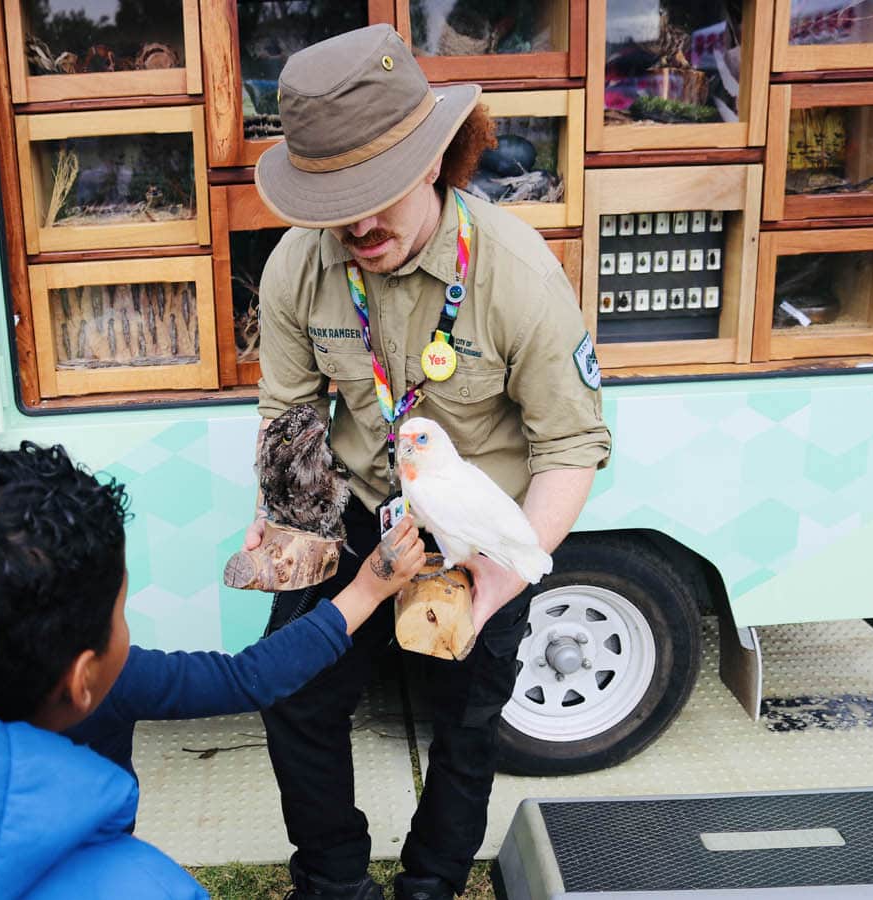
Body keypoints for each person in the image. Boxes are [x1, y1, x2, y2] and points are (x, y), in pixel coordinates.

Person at [0, 442, 425, 899]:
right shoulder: (144, 887)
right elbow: (248, 678)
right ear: (84, 679)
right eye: (120, 609)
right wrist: (367, 591)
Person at [246, 24, 612, 900]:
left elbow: (570, 445)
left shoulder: (518, 273)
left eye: (375, 194)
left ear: (437, 161)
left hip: (479, 526)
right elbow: (292, 413)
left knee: (468, 720)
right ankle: (333, 882)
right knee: (293, 693)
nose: (356, 225)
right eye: (332, 202)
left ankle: (432, 882)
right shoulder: (297, 264)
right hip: (357, 506)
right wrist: (283, 523)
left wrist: (502, 575)